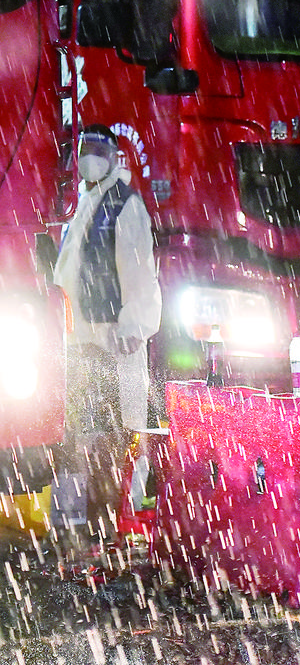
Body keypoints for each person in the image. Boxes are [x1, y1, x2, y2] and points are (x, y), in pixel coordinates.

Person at [53, 125, 162, 530]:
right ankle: (81, 514)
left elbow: (139, 272)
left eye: (98, 148)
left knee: (122, 425)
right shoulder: (81, 200)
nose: (89, 156)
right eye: (85, 148)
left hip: (114, 335)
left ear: (115, 155)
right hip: (79, 335)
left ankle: (122, 509)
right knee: (82, 426)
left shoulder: (124, 204)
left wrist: (133, 324)